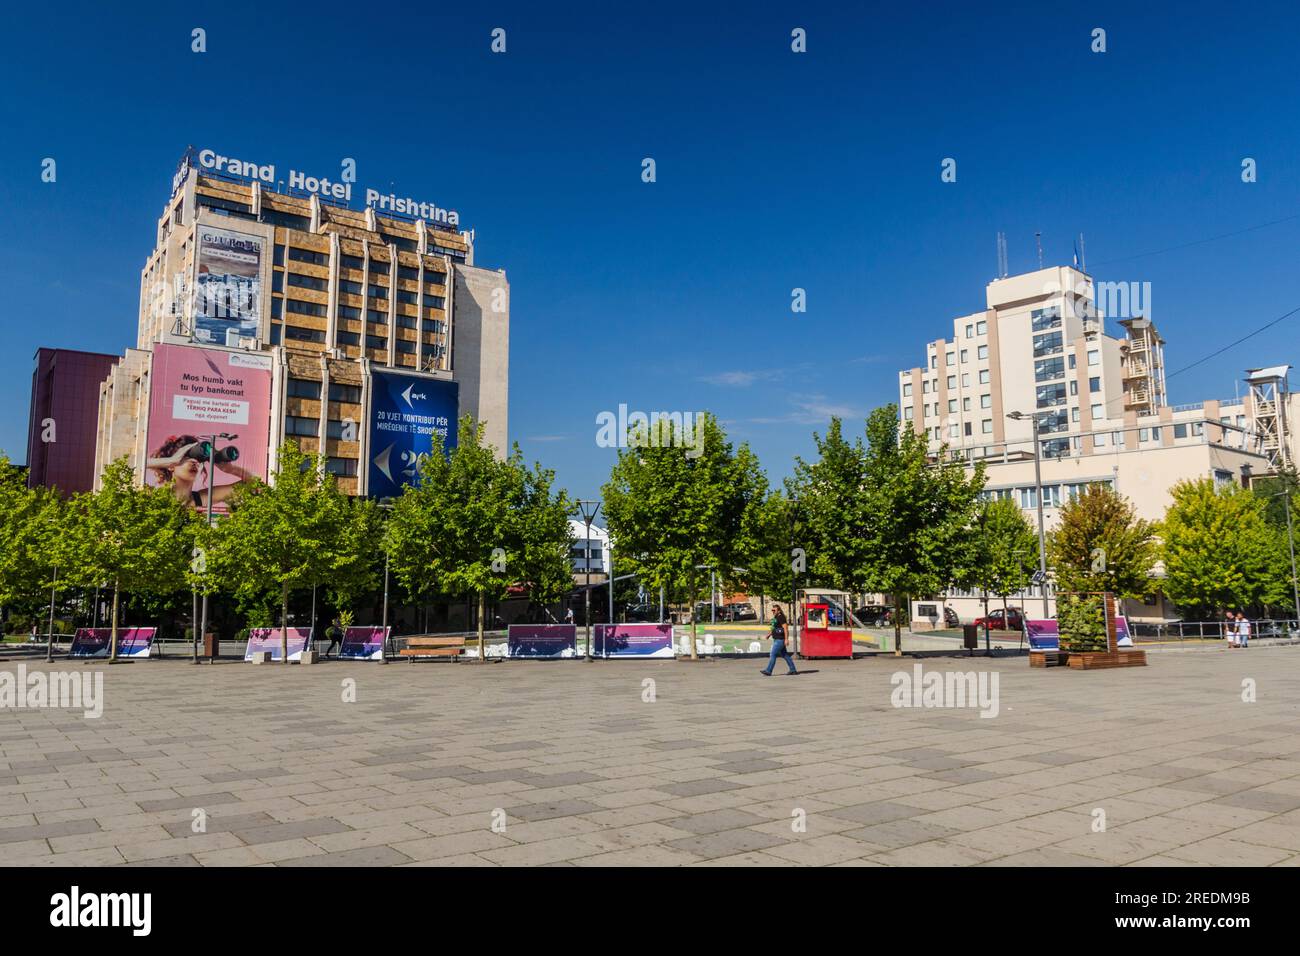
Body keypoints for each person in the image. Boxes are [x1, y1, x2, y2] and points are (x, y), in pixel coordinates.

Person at [147, 434, 256, 511]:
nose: (194, 462)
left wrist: (231, 469)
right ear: (171, 467)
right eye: (187, 457)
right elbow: (133, 466)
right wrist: (171, 460)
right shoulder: (153, 495)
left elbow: (255, 485)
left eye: (198, 460)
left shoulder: (202, 498)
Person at [760, 604, 799, 676]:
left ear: (779, 610)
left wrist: (786, 639)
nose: (773, 611)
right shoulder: (776, 617)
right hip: (776, 639)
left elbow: (785, 629)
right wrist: (769, 634)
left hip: (780, 639)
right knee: (785, 655)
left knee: (773, 654)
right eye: (772, 610)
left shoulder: (781, 617)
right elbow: (774, 627)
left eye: (774, 610)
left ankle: (768, 671)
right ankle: (793, 670)